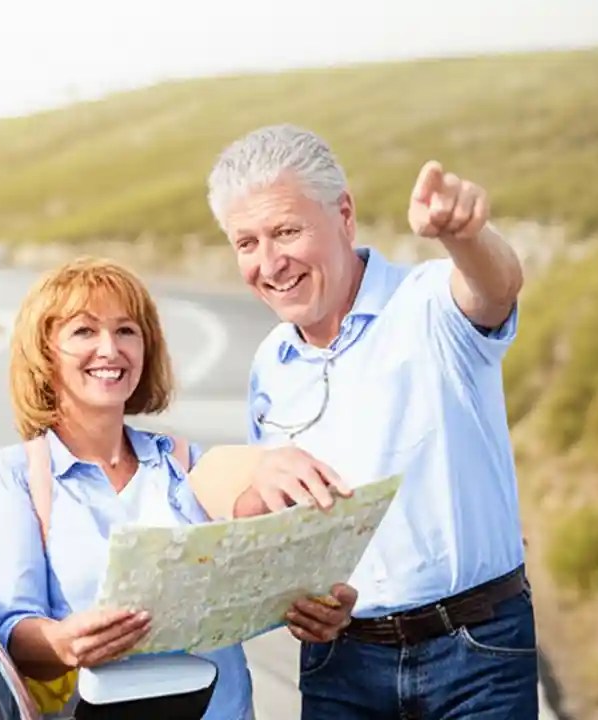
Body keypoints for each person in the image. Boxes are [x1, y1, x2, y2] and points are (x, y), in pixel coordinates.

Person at [204, 124, 537, 718]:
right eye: (246, 243)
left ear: (345, 216)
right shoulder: (270, 367)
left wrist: (466, 236)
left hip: (475, 655)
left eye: (286, 231)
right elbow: (289, 535)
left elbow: (496, 287)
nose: (270, 262)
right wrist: (298, 600)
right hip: (341, 667)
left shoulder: (430, 301)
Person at [0, 256, 357, 720]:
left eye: (126, 331)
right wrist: (63, 643)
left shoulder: (186, 461)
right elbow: (9, 628)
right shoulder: (13, 477)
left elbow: (256, 553)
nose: (110, 349)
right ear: (44, 353)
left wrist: (316, 603)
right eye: (84, 332)